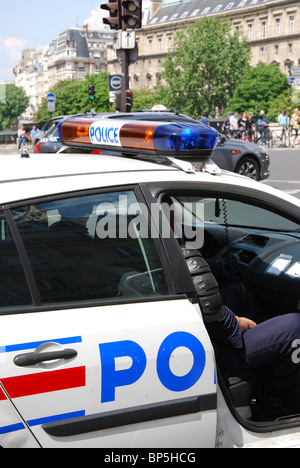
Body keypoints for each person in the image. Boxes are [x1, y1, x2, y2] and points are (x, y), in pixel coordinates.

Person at [182, 247, 300, 419]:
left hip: (200, 335)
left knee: (236, 292)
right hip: (208, 352)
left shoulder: (151, 248)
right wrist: (236, 323)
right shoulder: (168, 243)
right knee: (295, 328)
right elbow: (215, 319)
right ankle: (275, 406)